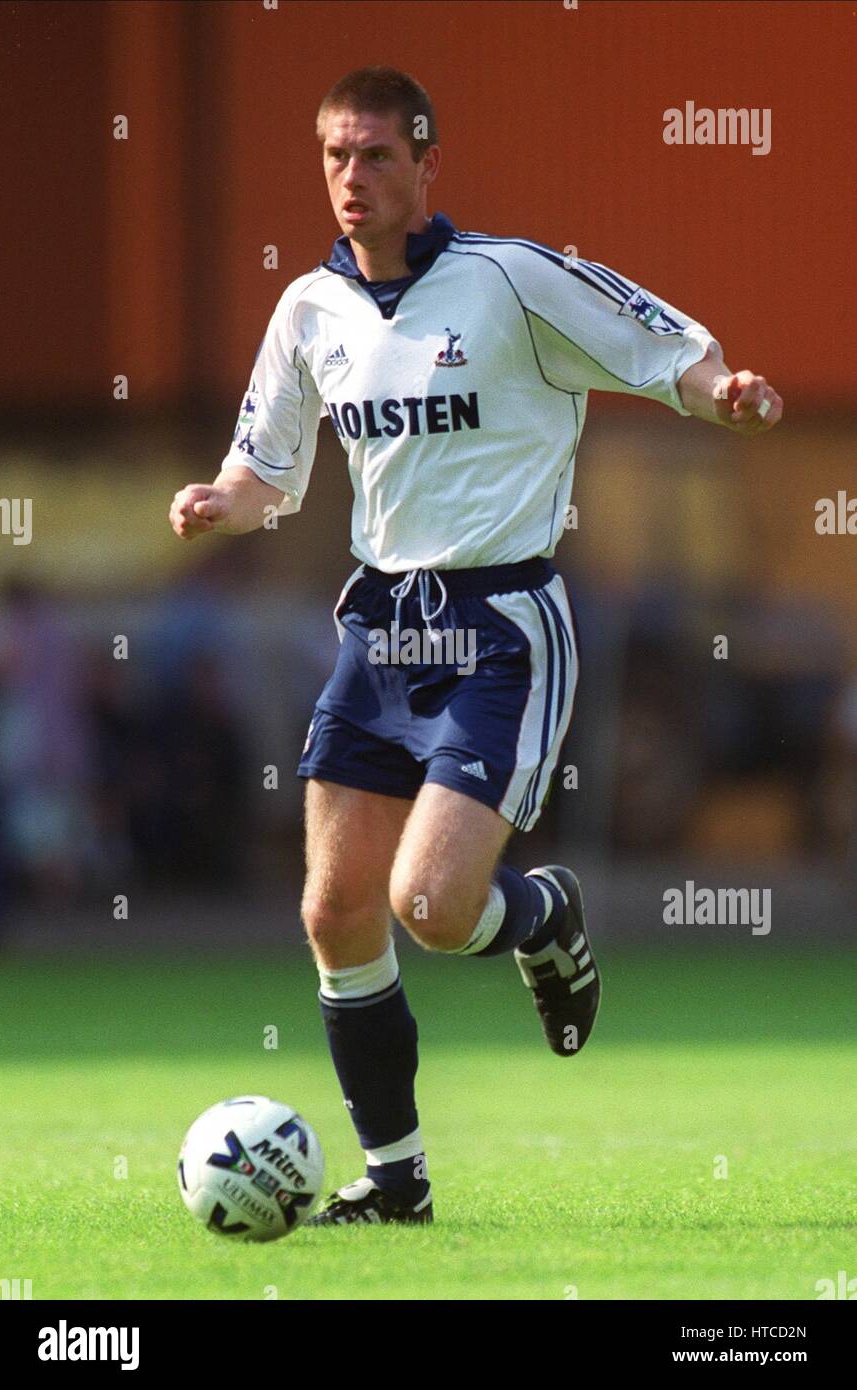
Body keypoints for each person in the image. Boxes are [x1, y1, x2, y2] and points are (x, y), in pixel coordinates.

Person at [169, 66, 783, 1226]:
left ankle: (540, 915)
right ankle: (396, 1185)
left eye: (377, 157)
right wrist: (220, 499)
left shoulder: (506, 281)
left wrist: (723, 390)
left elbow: (655, 343)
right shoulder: (308, 309)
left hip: (500, 626)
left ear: (424, 163)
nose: (354, 179)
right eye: (336, 158)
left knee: (432, 907)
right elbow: (269, 471)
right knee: (332, 910)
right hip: (378, 626)